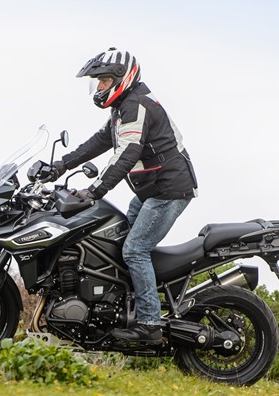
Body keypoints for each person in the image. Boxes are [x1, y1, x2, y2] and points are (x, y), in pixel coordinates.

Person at [53, 48, 199, 344]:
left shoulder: (136, 106)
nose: (99, 87)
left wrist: (95, 191)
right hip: (151, 191)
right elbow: (100, 141)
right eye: (98, 81)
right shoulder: (123, 107)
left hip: (168, 191)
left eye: (104, 80)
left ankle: (149, 325)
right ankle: (124, 308)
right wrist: (61, 164)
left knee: (134, 250)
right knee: (116, 243)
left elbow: (126, 155)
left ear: (122, 78)